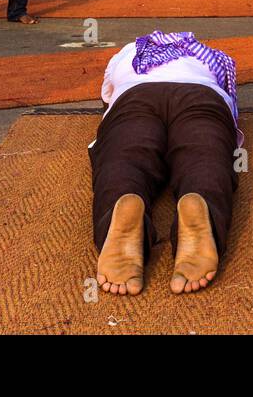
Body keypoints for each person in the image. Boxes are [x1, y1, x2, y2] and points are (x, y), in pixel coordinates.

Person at [91, 31, 240, 296]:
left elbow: (107, 96)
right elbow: (229, 88)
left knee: (124, 158)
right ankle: (200, 200)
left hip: (136, 96)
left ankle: (122, 199)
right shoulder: (207, 56)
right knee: (205, 157)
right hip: (202, 96)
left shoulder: (127, 53)